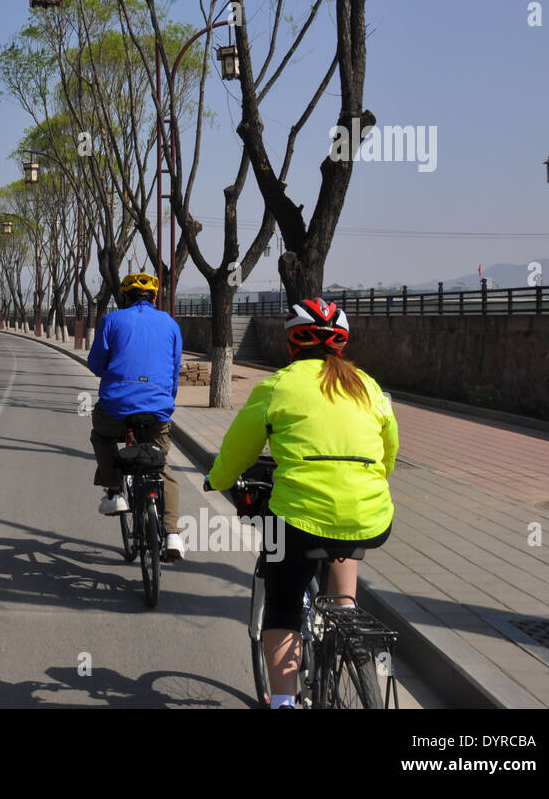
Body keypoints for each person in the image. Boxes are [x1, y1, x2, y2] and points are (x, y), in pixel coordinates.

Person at [206, 298, 398, 709]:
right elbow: (389, 454)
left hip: (294, 520)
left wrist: (216, 479)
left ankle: (283, 702)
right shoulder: (369, 386)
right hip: (371, 514)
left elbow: (237, 451)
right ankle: (345, 612)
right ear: (341, 346)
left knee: (283, 602)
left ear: (293, 344)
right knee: (344, 536)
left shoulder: (278, 386)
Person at [87, 272, 185, 560]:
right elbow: (174, 370)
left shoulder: (112, 321)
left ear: (125, 298)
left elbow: (95, 364)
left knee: (101, 435)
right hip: (157, 409)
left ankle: (115, 492)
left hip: (117, 406)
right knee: (161, 464)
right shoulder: (171, 324)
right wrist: (165, 402)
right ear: (154, 298)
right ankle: (172, 535)